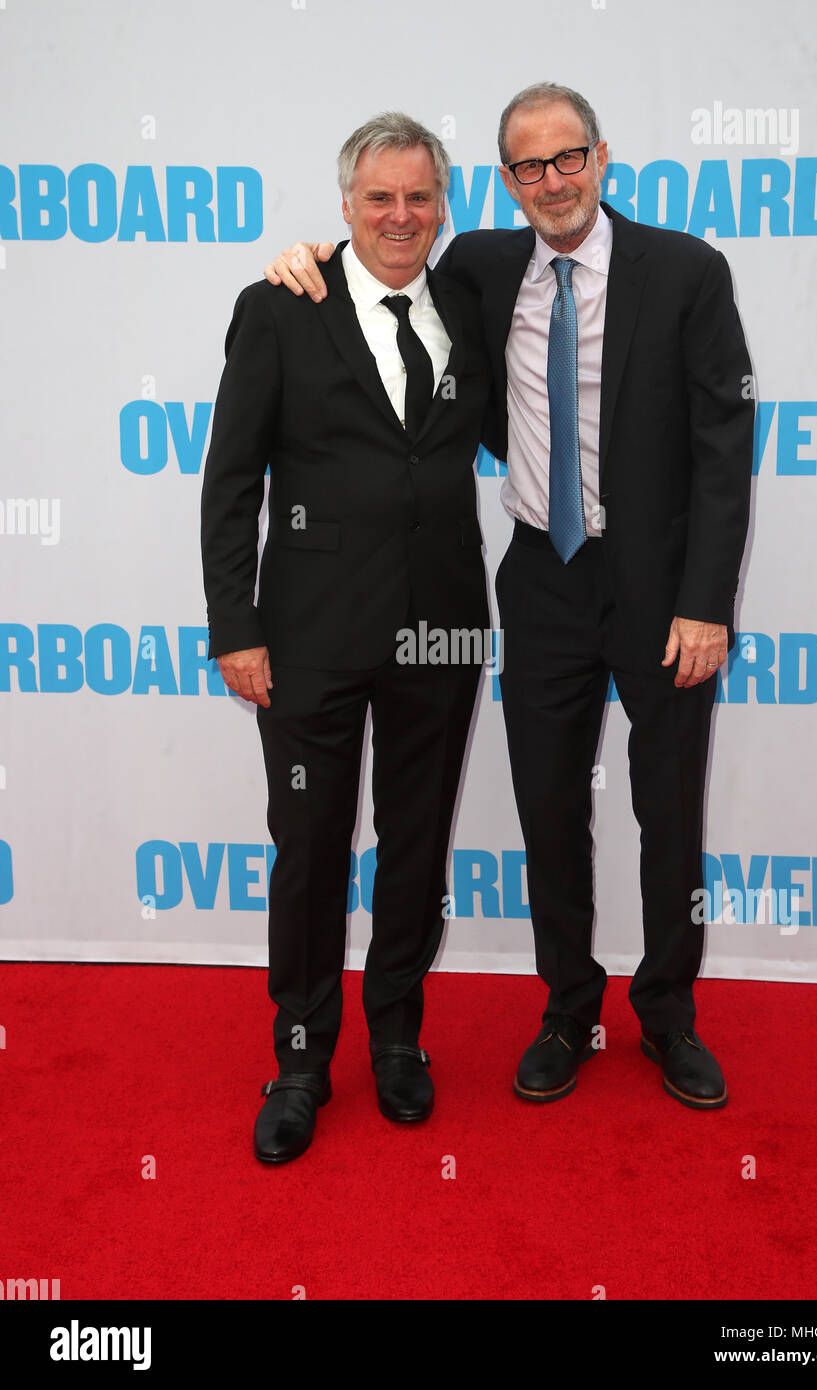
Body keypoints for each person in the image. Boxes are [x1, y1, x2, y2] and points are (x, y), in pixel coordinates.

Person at [264, 83, 755, 1112]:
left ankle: (665, 1013)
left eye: (566, 158)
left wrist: (705, 600)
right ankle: (567, 1009)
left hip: (662, 587)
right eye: (528, 167)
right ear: (503, 183)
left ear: (601, 156)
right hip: (541, 577)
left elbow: (721, 447)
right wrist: (302, 258)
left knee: (667, 809)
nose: (551, 182)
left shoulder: (684, 271)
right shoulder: (482, 267)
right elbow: (376, 265)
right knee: (547, 810)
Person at [201, 112, 491, 1163]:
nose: (400, 217)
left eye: (418, 197)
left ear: (443, 204)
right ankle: (298, 1059)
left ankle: (399, 1039)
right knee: (311, 851)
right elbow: (231, 479)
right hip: (309, 635)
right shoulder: (280, 307)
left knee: (416, 845)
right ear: (344, 207)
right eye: (379, 199)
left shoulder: (469, 296)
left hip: (443, 629)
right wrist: (234, 624)